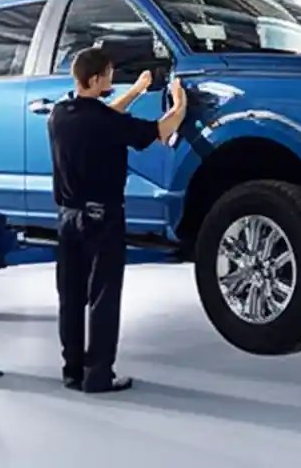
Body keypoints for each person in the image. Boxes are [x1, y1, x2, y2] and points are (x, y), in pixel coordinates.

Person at [47, 46, 188, 393]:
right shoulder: (106, 123)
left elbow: (104, 115)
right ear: (94, 79)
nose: (111, 79)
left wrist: (136, 91)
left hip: (67, 219)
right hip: (102, 220)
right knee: (103, 299)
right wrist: (179, 101)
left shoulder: (60, 114)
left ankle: (73, 371)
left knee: (71, 298)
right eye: (108, 74)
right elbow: (161, 129)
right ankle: (98, 376)